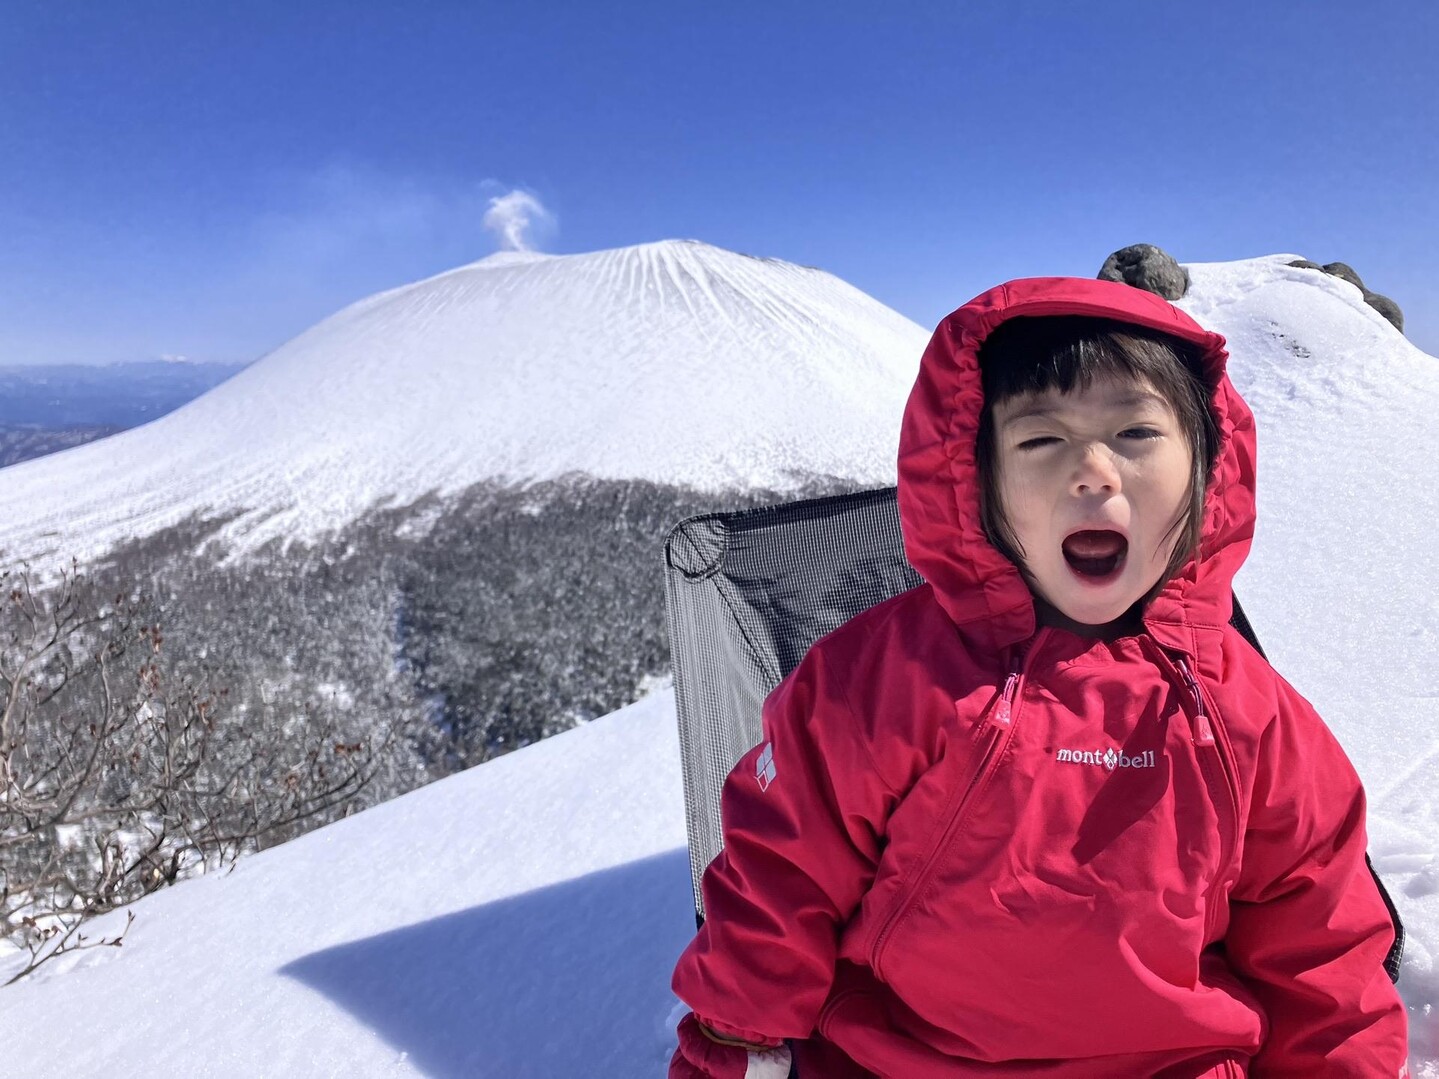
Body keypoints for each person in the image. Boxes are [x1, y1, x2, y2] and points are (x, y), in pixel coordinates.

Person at [668, 277, 1409, 1078]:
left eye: (1134, 431)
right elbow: (777, 885)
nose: (1092, 471)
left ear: (1205, 467)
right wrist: (732, 1048)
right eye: (1039, 440)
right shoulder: (877, 682)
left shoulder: (1250, 716)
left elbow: (1324, 955)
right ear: (974, 478)